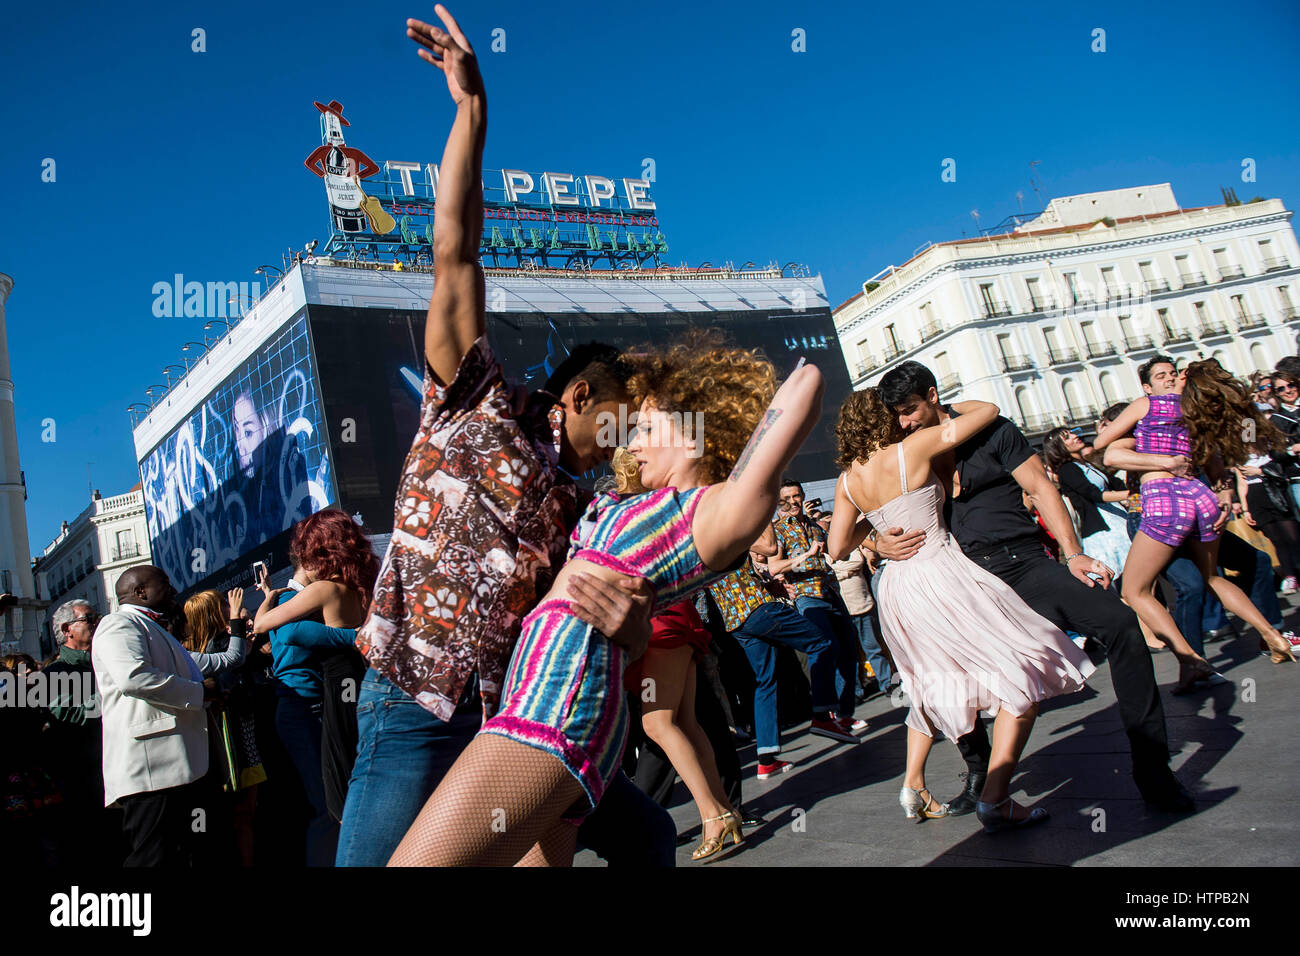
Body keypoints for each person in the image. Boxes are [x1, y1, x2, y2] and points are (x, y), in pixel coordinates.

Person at [338, 6, 672, 869]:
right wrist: (470, 114)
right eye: (622, 422)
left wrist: (630, 628)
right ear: (583, 393)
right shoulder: (474, 398)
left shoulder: (594, 508)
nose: (625, 442)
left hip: (514, 718)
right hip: (413, 700)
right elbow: (454, 253)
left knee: (649, 839)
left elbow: (618, 629)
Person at [388, 331, 826, 865]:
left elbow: (805, 382)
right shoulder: (632, 503)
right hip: (548, 708)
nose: (630, 442)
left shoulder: (709, 515)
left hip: (555, 711)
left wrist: (673, 376)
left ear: (692, 431)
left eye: (644, 427)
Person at [870, 362, 1192, 814]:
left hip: (1021, 564)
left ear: (933, 394)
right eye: (897, 416)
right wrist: (877, 540)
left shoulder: (992, 428)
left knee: (1120, 624)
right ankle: (981, 778)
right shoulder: (901, 453)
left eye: (909, 410)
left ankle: (1153, 767)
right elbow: (867, 509)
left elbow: (1041, 487)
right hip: (958, 579)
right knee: (950, 676)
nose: (904, 422)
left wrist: (1073, 553)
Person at [830, 391, 1093, 830]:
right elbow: (988, 411)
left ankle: (915, 784)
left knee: (933, 683)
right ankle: (995, 798)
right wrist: (941, 402)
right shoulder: (912, 448)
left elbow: (837, 546)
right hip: (942, 574)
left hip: (897, 588)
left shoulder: (846, 480)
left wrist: (877, 532)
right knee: (1019, 681)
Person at [1094, 358, 1296, 674]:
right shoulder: (1196, 415)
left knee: (1134, 591)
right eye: (1164, 375)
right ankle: (1273, 636)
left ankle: (1190, 660)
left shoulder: (1147, 404)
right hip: (1199, 498)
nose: (1170, 379)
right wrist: (1225, 493)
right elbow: (1216, 465)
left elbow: (1103, 447)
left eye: (1172, 374)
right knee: (1211, 576)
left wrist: (1126, 432)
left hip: (1164, 500)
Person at [252, 509, 377, 866]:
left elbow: (264, 626)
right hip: (364, 687)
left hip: (335, 692)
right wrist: (355, 637)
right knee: (358, 785)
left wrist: (266, 598)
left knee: (332, 800)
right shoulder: (361, 589)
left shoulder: (322, 590)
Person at [91, 566, 208, 866]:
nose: (172, 589)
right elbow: (134, 678)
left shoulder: (150, 625)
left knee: (181, 855)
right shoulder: (118, 624)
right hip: (151, 770)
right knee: (153, 858)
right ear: (140, 592)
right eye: (165, 583)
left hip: (174, 765)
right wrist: (201, 693)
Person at [768, 479, 863, 731]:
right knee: (825, 647)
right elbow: (774, 566)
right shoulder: (778, 530)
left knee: (848, 652)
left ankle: (843, 714)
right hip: (806, 595)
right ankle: (823, 713)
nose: (793, 502)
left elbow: (835, 551)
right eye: (786, 498)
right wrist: (806, 555)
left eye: (796, 496)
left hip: (831, 590)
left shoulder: (813, 525)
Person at [1043, 427, 1133, 582]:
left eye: (1072, 433)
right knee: (1126, 577)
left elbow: (1116, 485)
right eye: (1067, 437)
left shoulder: (1086, 465)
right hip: (1105, 531)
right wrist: (1132, 497)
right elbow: (1094, 494)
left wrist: (1136, 502)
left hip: (1118, 519)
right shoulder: (1067, 470)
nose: (1074, 436)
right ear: (1059, 447)